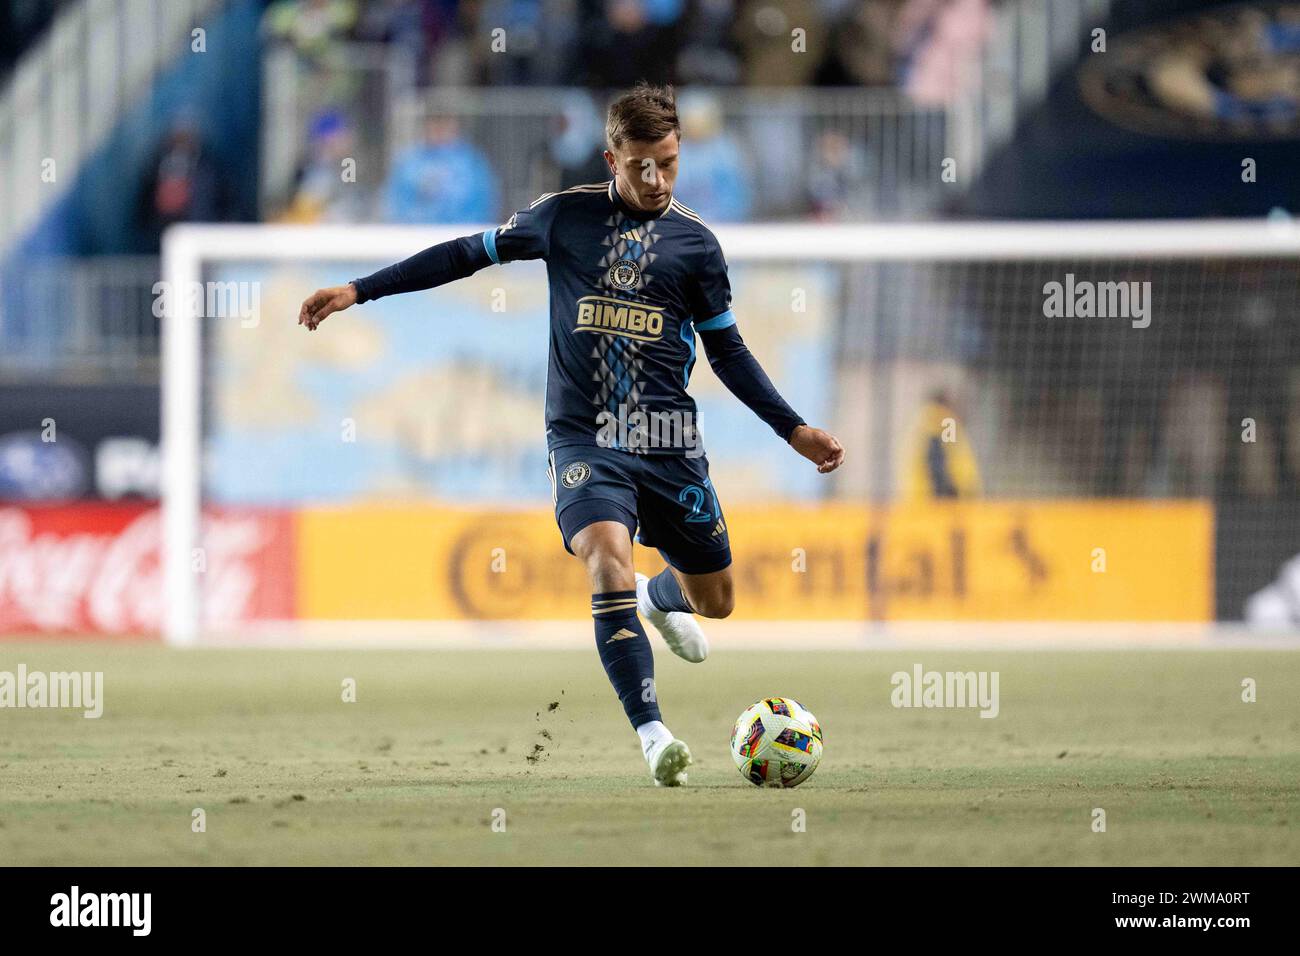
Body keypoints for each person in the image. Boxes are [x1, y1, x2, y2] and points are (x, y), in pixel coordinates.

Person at [297, 83, 844, 786]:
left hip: (668, 442)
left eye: (669, 164)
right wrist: (358, 290)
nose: (656, 180)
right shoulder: (564, 218)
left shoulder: (697, 247)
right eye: (641, 165)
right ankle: (653, 736)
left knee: (718, 600)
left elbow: (727, 352)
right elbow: (466, 252)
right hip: (584, 439)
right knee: (606, 560)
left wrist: (792, 428)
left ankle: (658, 598)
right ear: (612, 155)